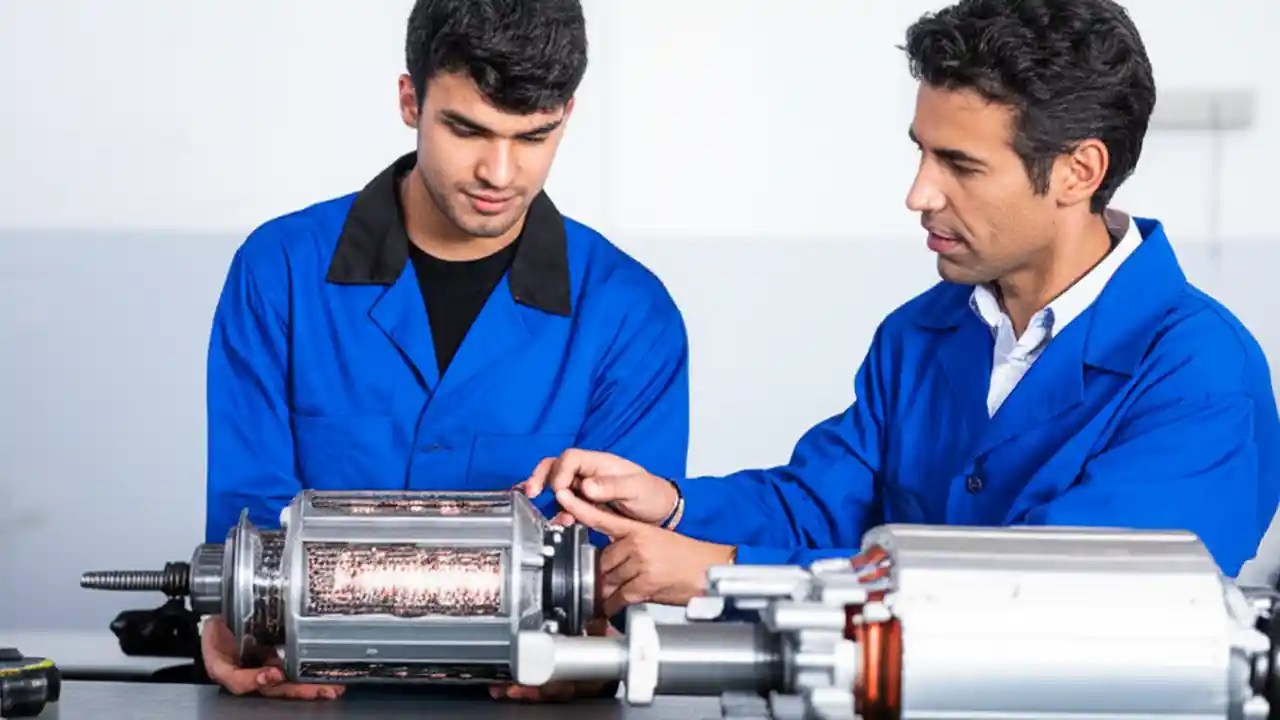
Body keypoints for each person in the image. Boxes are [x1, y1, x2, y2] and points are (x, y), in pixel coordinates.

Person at [525, 0, 1280, 618]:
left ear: (1078, 171)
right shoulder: (921, 334)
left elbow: (1046, 596)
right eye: (922, 151)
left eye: (960, 165)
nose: (919, 193)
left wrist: (723, 570)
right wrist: (673, 506)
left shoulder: (1200, 375)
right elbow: (821, 505)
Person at [200, 0, 689, 701]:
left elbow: (619, 564)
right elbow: (249, 526)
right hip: (313, 697)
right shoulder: (279, 274)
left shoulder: (629, 315)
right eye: (466, 129)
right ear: (411, 101)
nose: (500, 172)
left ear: (567, 117)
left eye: (534, 136)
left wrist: (593, 646)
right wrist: (235, 624)